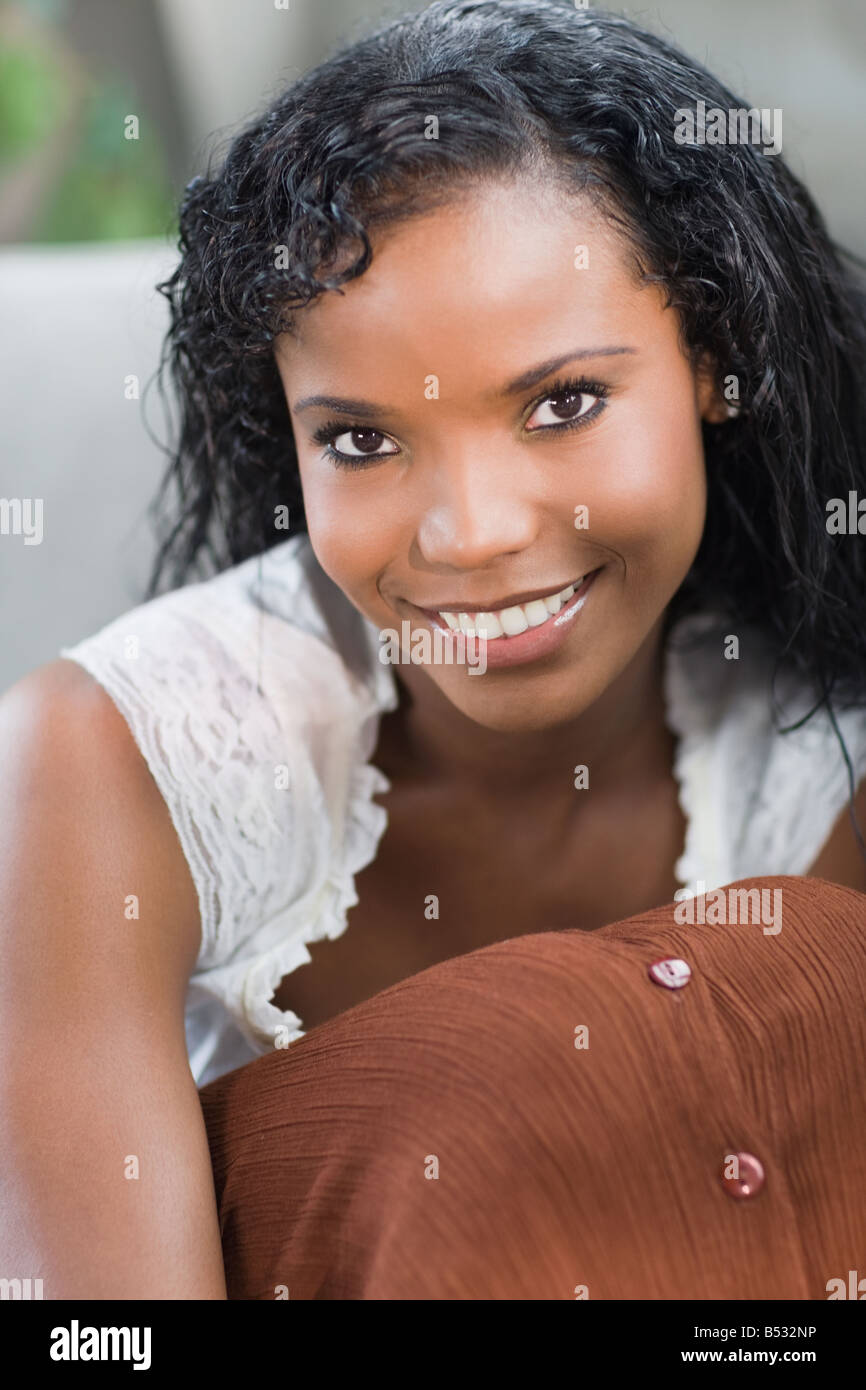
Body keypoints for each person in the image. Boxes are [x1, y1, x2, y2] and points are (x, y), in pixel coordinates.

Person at [2, 0, 865, 1300]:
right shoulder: (103, 756)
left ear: (713, 363)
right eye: (359, 438)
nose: (469, 536)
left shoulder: (827, 747)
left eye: (562, 403)